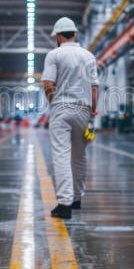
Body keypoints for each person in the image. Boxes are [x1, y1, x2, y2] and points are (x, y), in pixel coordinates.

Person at [41, 17, 99, 219]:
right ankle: (76, 198)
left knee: (61, 155)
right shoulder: (88, 56)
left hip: (61, 108)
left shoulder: (54, 55)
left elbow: (48, 84)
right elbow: (94, 87)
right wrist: (93, 111)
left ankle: (64, 204)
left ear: (58, 36)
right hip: (84, 109)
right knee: (80, 155)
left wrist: (54, 102)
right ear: (75, 34)